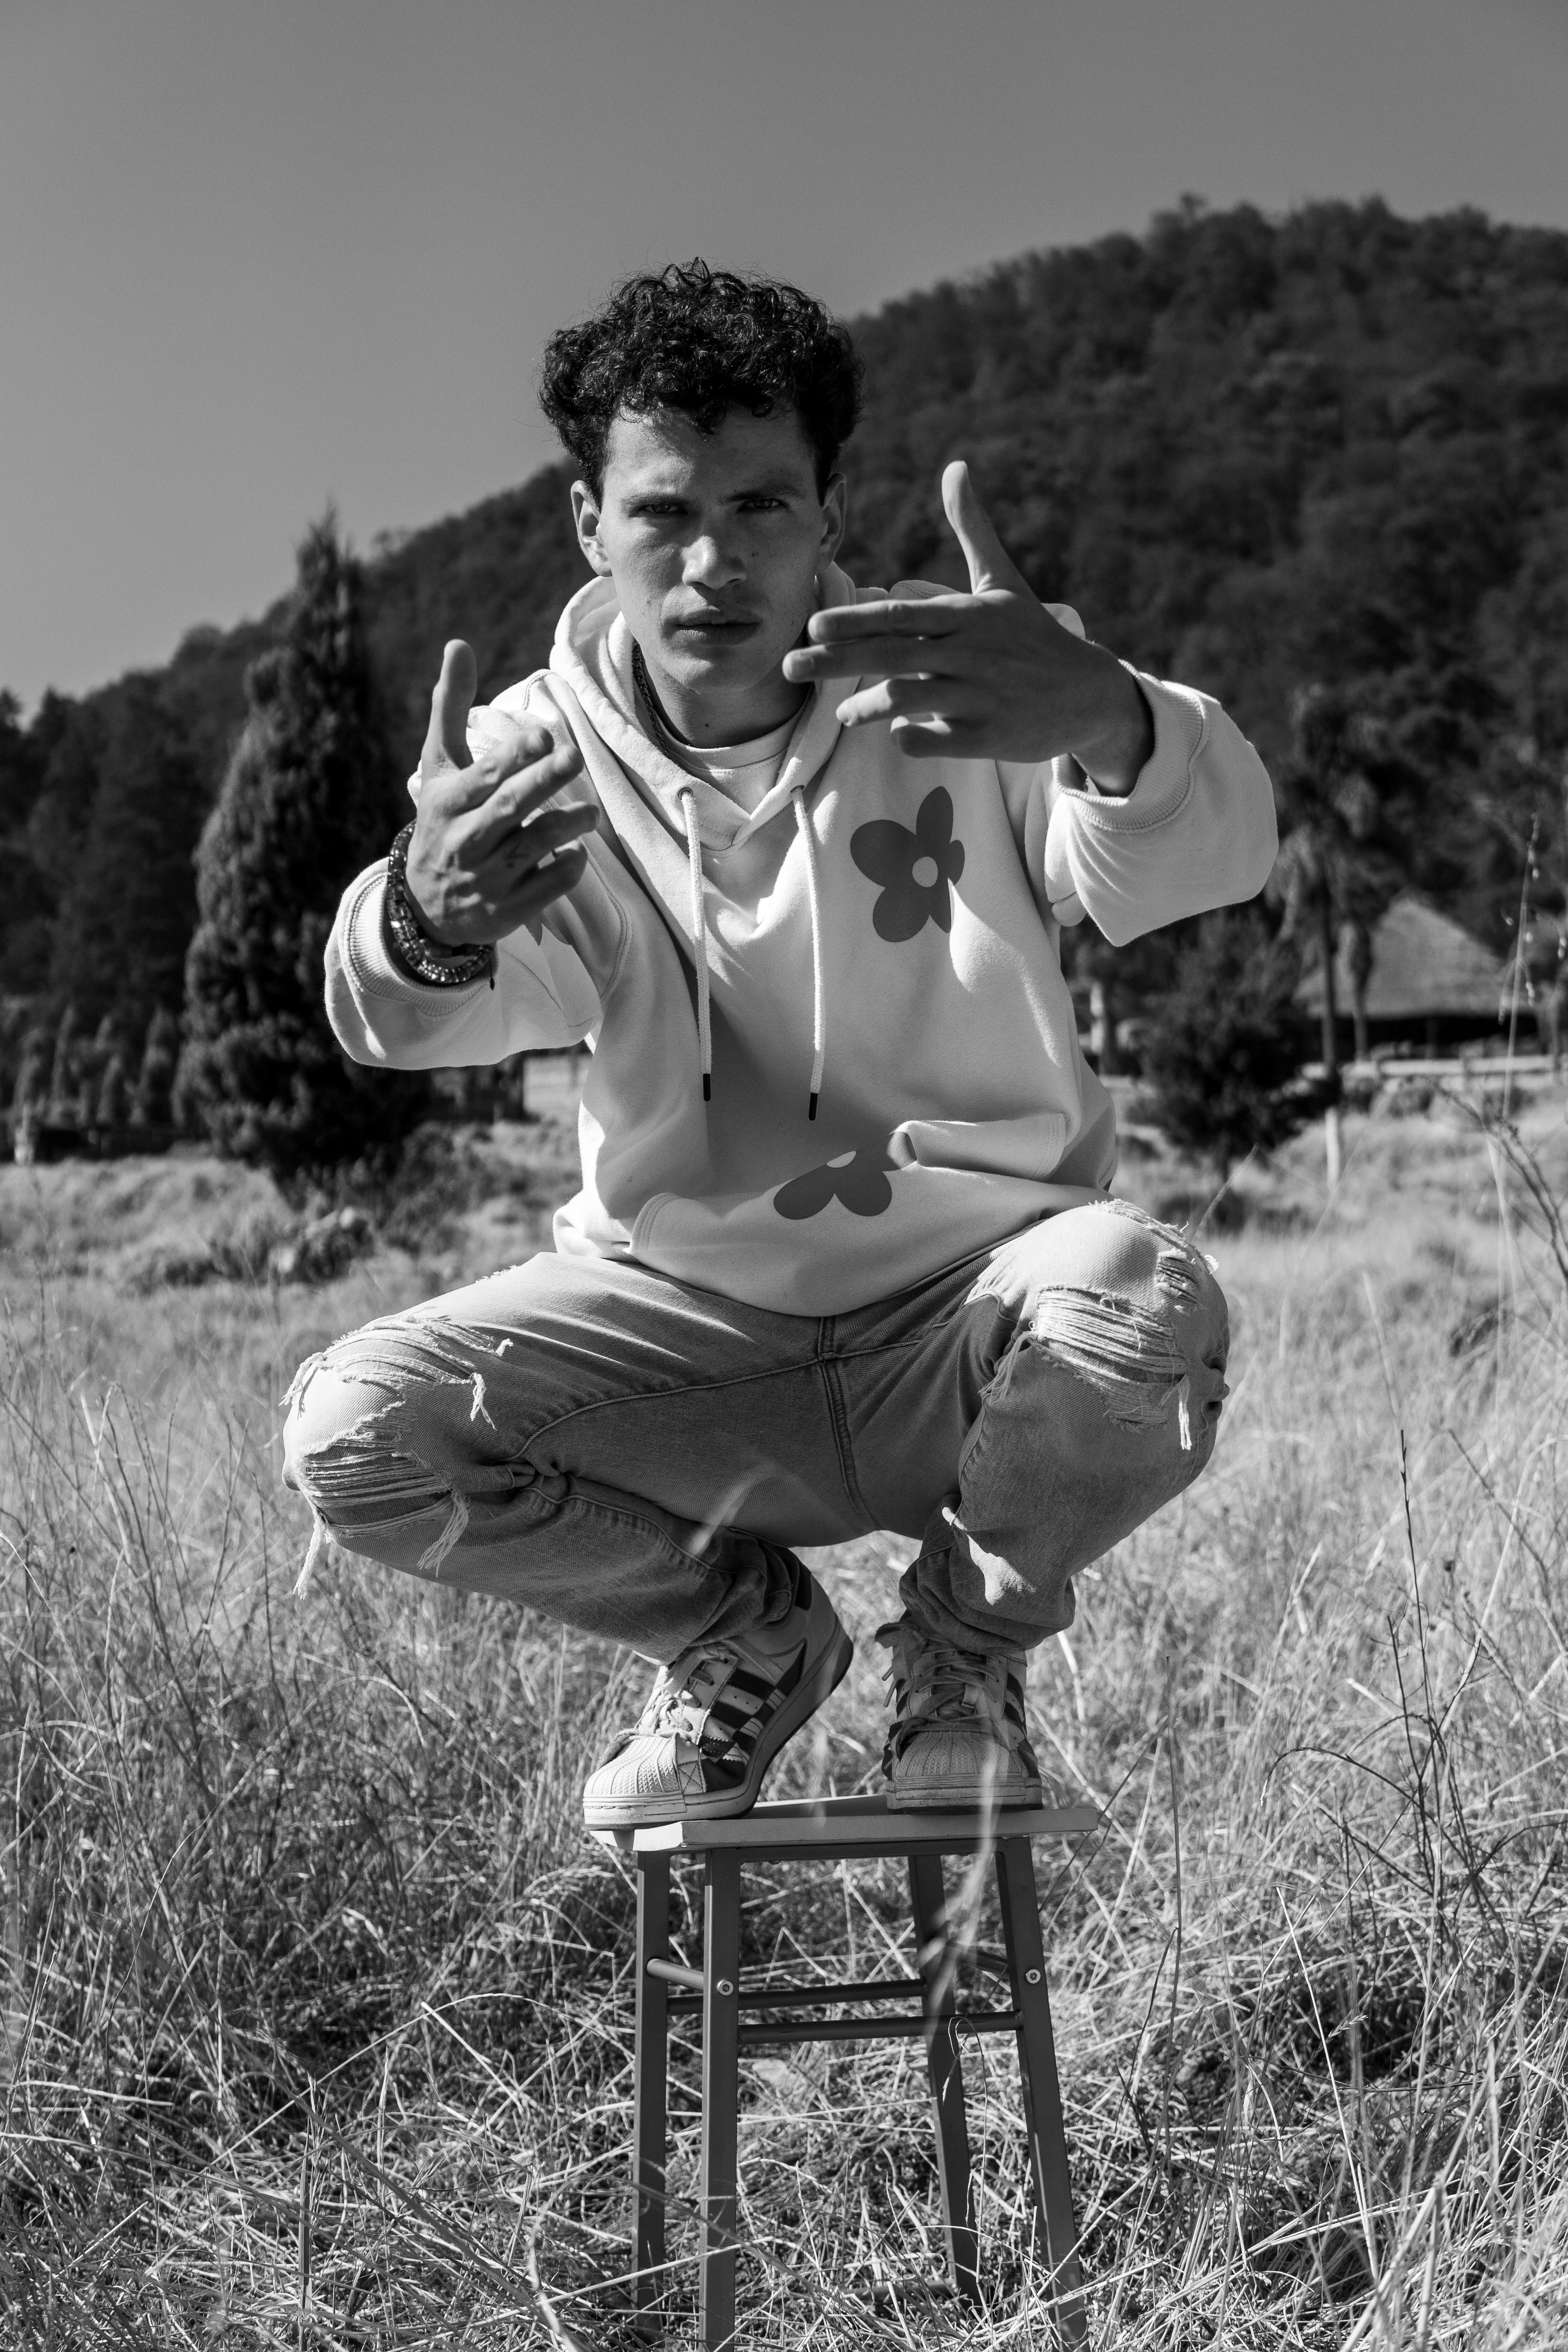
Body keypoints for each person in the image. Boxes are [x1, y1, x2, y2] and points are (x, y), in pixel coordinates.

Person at [283, 262, 1275, 1830]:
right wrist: (422, 907)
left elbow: (1198, 861)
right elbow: (401, 1014)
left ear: (829, 511)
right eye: (665, 512)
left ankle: (960, 1655)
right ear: (586, 527)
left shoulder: (972, 688)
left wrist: (1105, 711)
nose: (711, 560)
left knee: (1144, 1305)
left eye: (759, 507)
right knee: (359, 1437)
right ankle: (743, 1636)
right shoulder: (529, 762)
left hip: (972, 1332)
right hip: (682, 1356)